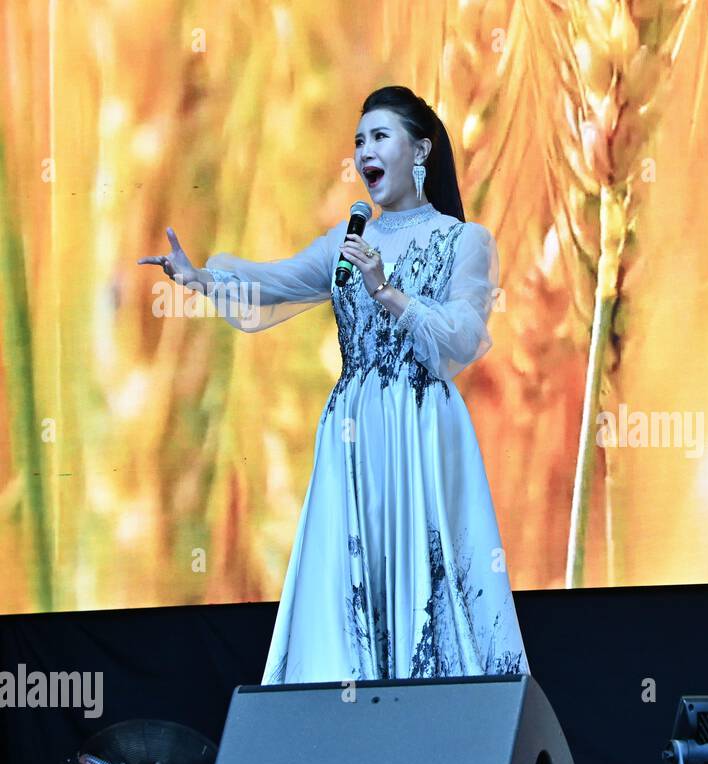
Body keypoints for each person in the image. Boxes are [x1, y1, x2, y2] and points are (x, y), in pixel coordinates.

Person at [139, 85, 528, 684]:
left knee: (428, 573)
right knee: (349, 576)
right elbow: (274, 284)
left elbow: (461, 339)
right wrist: (198, 277)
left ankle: (432, 706)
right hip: (353, 426)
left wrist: (389, 292)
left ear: (421, 150)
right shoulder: (349, 242)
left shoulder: (464, 241)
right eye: (358, 141)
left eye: (379, 136)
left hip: (420, 421)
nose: (364, 151)